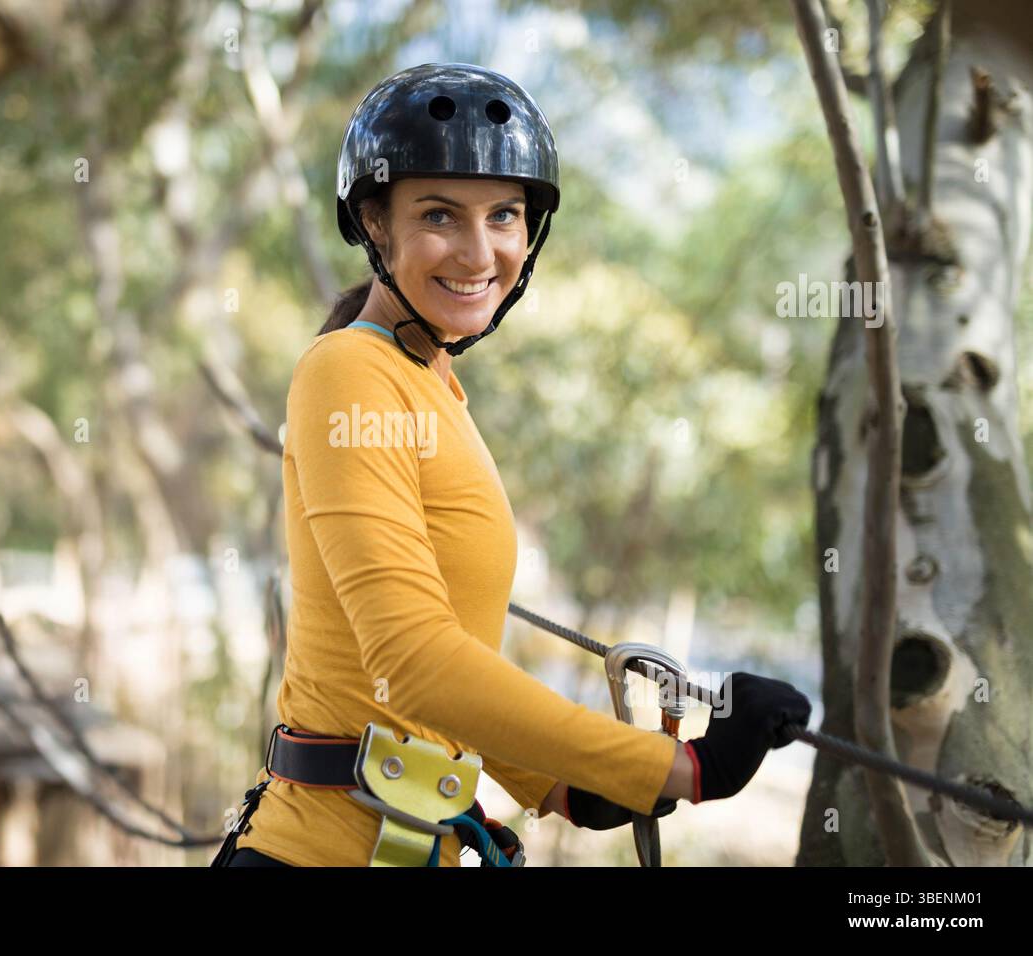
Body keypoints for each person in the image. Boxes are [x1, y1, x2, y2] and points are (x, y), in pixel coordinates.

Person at [215, 63, 810, 868]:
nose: (479, 249)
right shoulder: (348, 372)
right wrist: (673, 766)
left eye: (505, 214)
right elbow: (415, 663)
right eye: (439, 215)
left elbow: (444, 665)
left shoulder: (433, 385)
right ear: (373, 223)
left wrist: (562, 784)